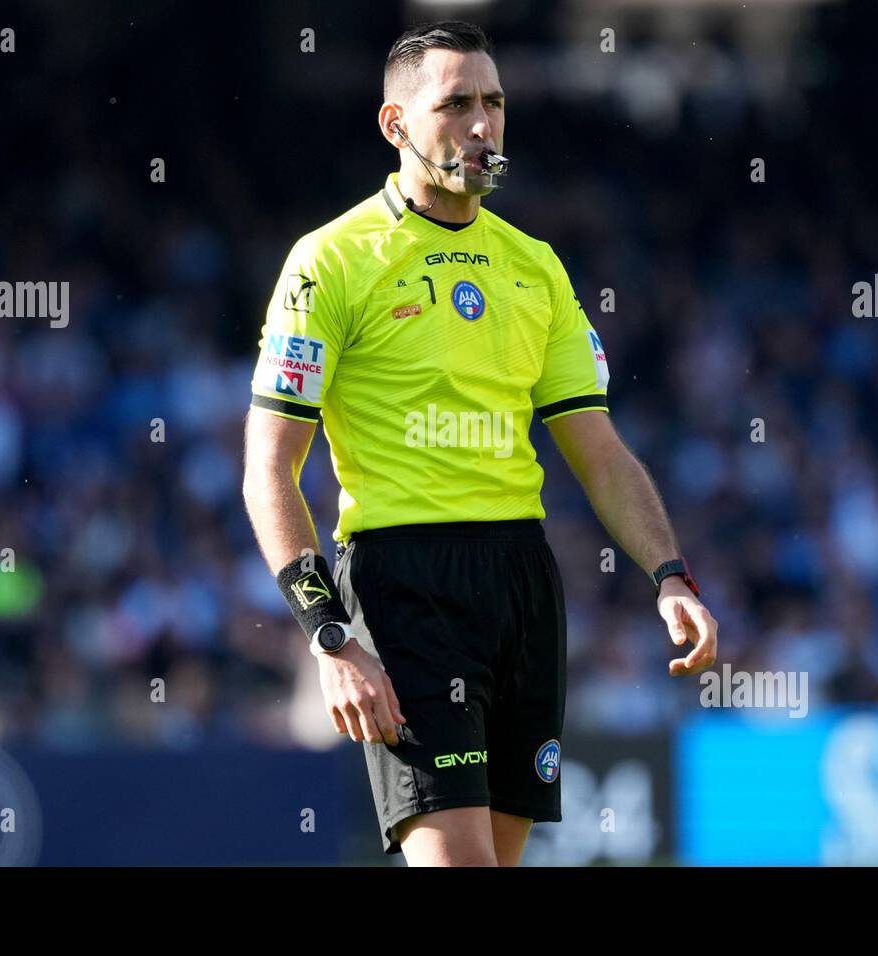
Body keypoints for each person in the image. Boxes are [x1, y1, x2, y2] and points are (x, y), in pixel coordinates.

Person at [242, 19, 717, 867]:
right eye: (454, 103)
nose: (481, 124)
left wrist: (668, 575)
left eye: (493, 103)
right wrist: (329, 635)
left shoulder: (537, 268)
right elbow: (267, 469)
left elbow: (598, 450)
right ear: (396, 126)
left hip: (521, 585)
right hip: (403, 586)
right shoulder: (332, 262)